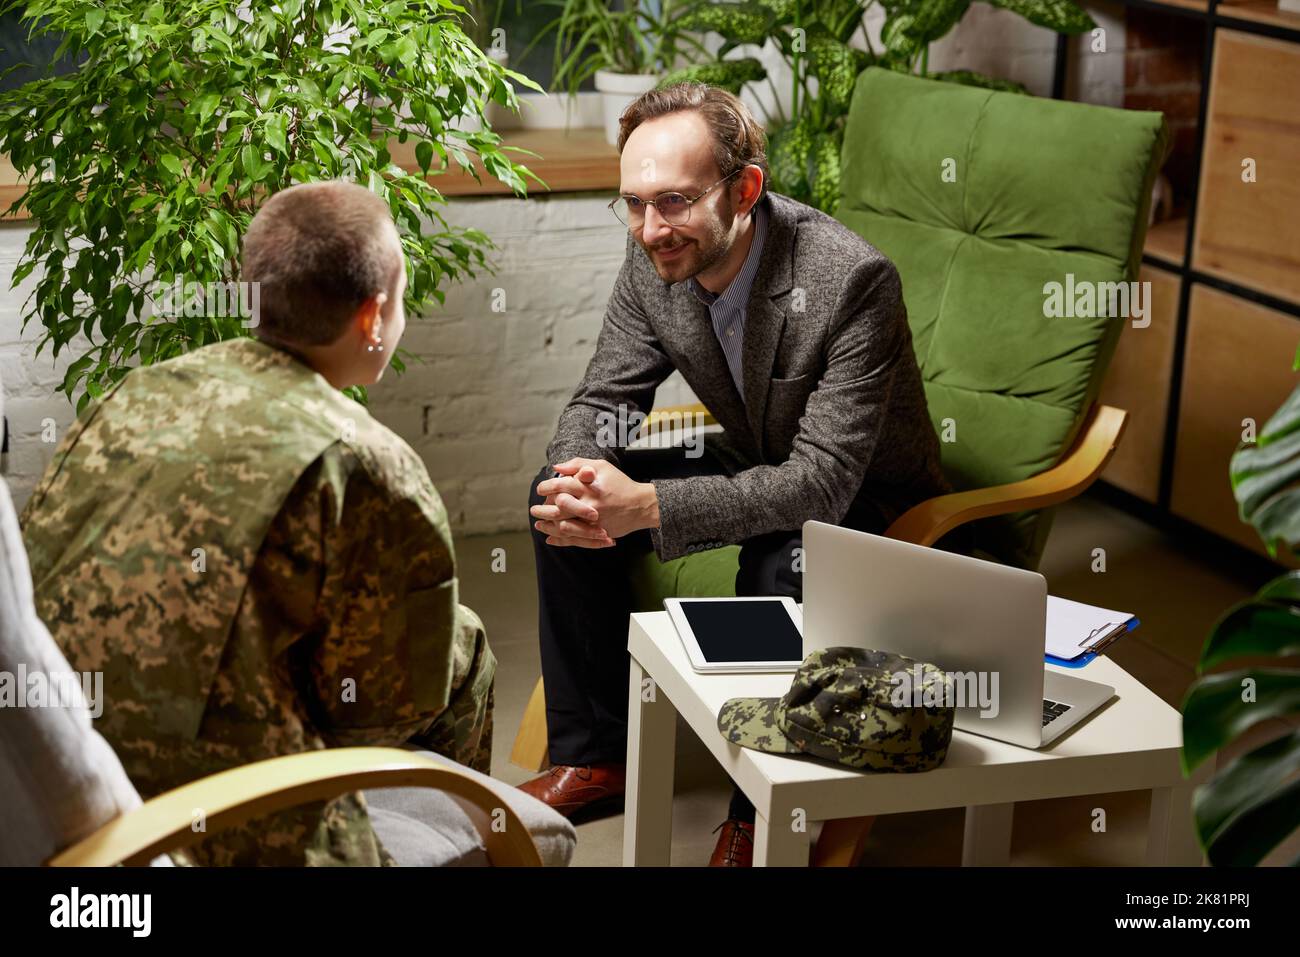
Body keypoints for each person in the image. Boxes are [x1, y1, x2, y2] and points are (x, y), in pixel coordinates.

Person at [519, 83, 950, 866]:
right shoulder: (655, 251)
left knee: (780, 559)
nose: (652, 229)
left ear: (744, 189)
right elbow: (605, 398)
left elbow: (818, 482)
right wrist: (579, 474)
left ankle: (758, 807)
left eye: (675, 202)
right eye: (635, 203)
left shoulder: (853, 281)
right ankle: (595, 753)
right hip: (751, 443)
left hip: (861, 492)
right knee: (555, 491)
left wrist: (646, 505)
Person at [20, 180, 493, 866]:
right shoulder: (365, 462)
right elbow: (376, 717)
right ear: (373, 317)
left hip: (62, 779)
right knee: (467, 645)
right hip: (229, 822)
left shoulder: (138, 391)